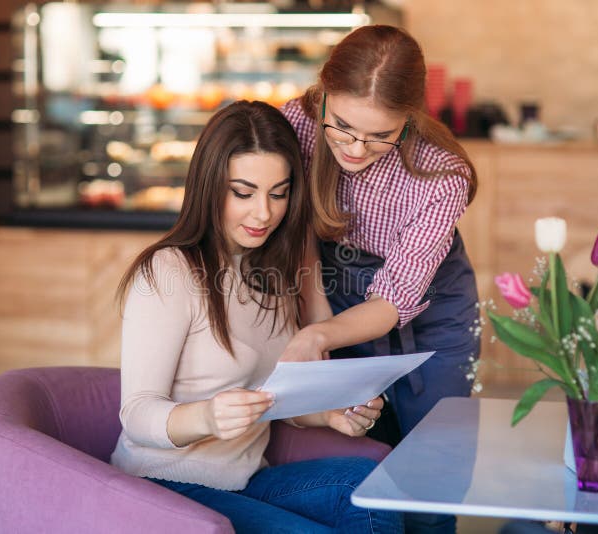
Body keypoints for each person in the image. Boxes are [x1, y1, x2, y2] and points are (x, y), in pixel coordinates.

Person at [110, 100, 403, 534]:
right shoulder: (169, 272)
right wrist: (207, 417)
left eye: (278, 193)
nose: (263, 213)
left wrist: (330, 414)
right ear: (210, 187)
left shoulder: (274, 273)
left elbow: (274, 399)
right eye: (243, 193)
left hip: (243, 482)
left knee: (371, 489)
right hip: (163, 487)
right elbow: (135, 416)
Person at [280, 25, 480, 533]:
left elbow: (394, 300)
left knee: (431, 481)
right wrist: (317, 308)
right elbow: (299, 220)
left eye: (380, 135)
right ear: (323, 94)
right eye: (342, 126)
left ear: (409, 120)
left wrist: (320, 334)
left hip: (432, 318)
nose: (354, 147)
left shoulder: (442, 175)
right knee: (357, 458)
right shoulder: (297, 126)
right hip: (329, 290)